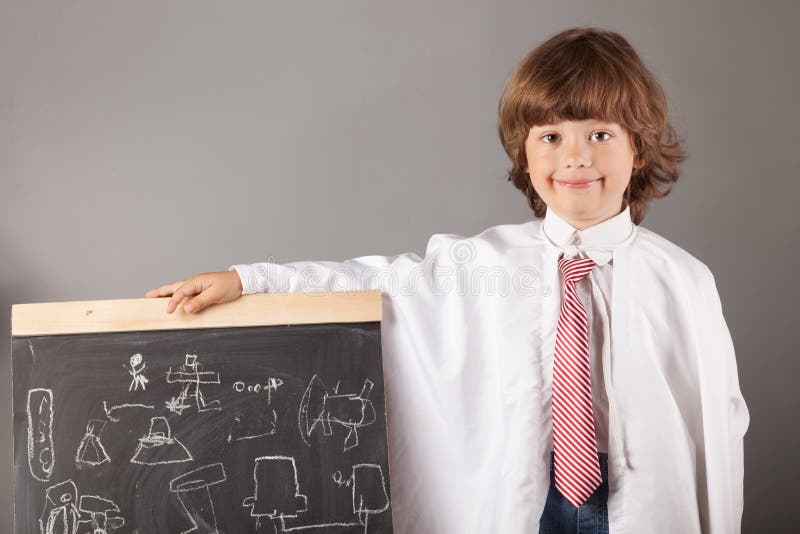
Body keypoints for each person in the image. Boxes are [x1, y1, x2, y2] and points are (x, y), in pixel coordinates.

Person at [146, 27, 749, 534]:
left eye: (600, 134)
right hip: (522, 498)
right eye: (551, 136)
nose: (575, 157)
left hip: (638, 504)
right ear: (525, 154)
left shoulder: (683, 281)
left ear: (637, 151)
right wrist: (250, 279)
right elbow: (370, 284)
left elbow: (719, 420)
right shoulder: (482, 266)